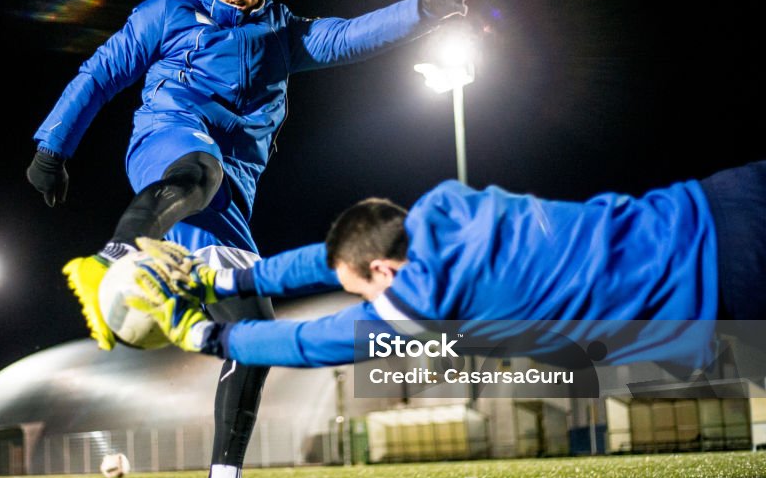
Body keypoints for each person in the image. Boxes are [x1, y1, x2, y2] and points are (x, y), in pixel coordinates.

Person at [25, 0, 468, 478]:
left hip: (226, 200)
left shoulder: (281, 33)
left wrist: (425, 11)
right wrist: (53, 147)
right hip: (168, 146)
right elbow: (102, 73)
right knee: (200, 167)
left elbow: (348, 36)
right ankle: (109, 264)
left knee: (255, 333)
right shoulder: (167, 13)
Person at [127, 161, 766, 371]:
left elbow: (314, 339)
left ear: (385, 274)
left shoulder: (427, 299)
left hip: (723, 287)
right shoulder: (445, 206)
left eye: (365, 291)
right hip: (723, 196)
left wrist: (210, 335)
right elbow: (332, 261)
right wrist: (225, 278)